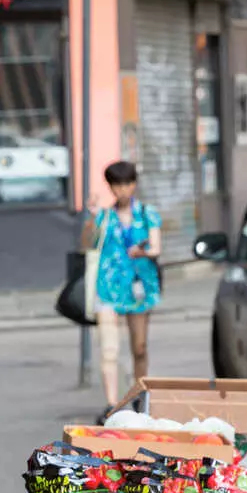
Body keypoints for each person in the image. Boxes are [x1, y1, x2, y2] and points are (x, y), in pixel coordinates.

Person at [82, 160, 162, 411]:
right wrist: (91, 217)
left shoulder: (147, 213)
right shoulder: (104, 217)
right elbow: (87, 244)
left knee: (139, 347)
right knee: (109, 349)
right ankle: (112, 404)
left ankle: (139, 397)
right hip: (107, 287)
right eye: (116, 185)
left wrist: (143, 252)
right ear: (110, 187)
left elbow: (157, 247)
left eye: (127, 184)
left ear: (134, 184)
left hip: (139, 286)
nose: (122, 190)